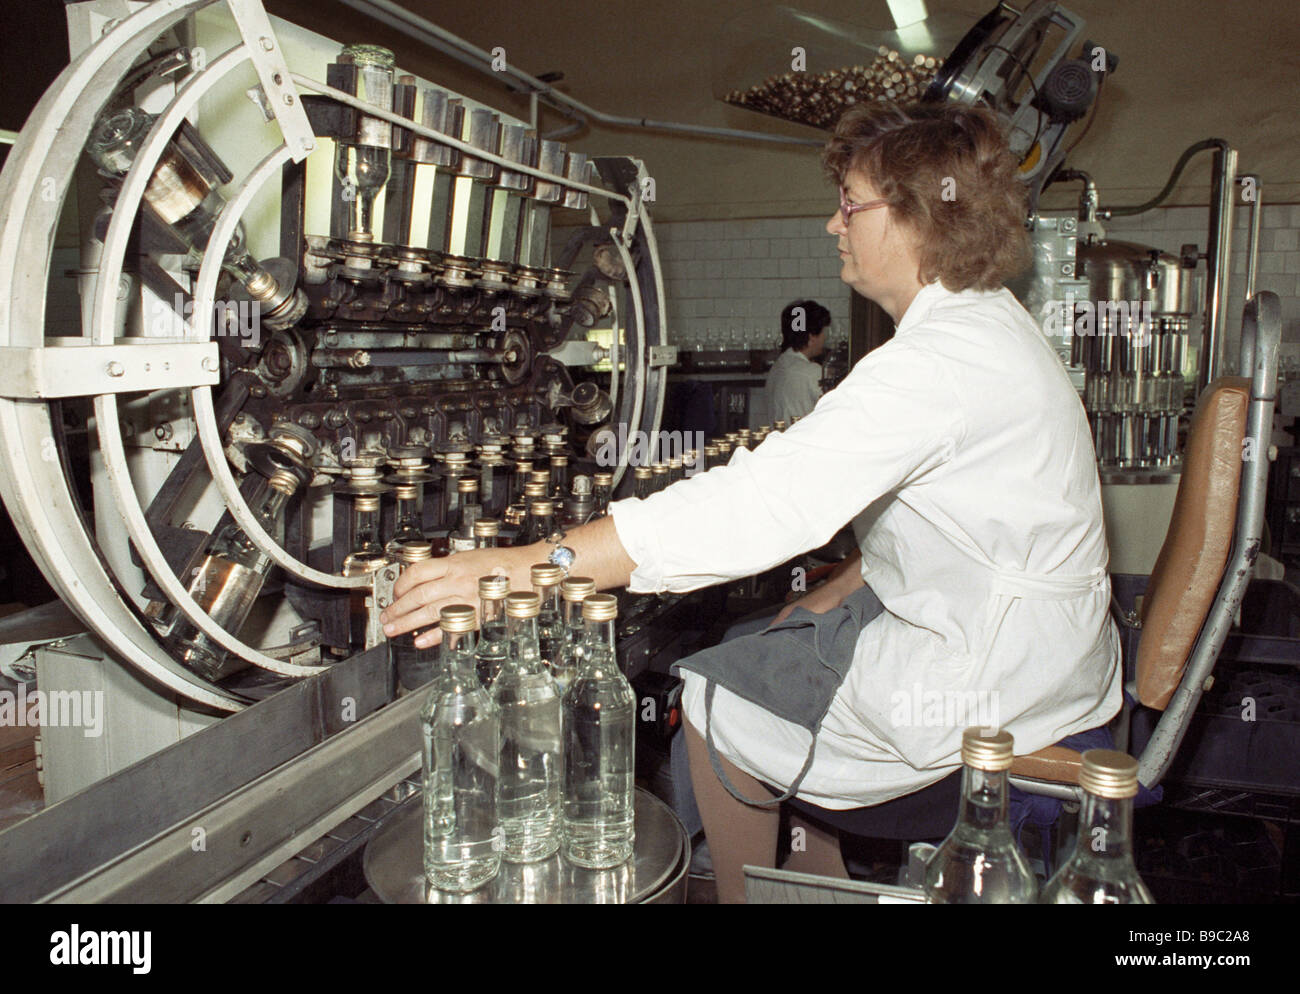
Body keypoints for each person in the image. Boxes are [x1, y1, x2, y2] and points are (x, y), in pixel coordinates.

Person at [380, 102, 1121, 903]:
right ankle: (814, 883)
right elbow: (947, 522)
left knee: (713, 695)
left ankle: (748, 894)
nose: (832, 224)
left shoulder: (934, 364)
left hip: (995, 690)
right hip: (1043, 652)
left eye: (850, 203)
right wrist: (830, 596)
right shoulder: (987, 327)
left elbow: (761, 503)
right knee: (775, 647)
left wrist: (534, 565)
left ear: (916, 215)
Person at [765, 299, 831, 424]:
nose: (825, 338)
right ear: (811, 337)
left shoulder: (778, 366)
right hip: (803, 440)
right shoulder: (813, 372)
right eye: (824, 332)